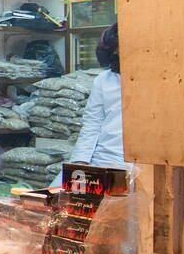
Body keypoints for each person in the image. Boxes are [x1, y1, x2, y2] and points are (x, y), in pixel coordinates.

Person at [54, 24, 131, 187]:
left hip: (137, 165)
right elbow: (92, 122)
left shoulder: (156, 81)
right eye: (116, 50)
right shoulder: (104, 79)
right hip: (102, 158)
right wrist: (80, 160)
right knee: (58, 199)